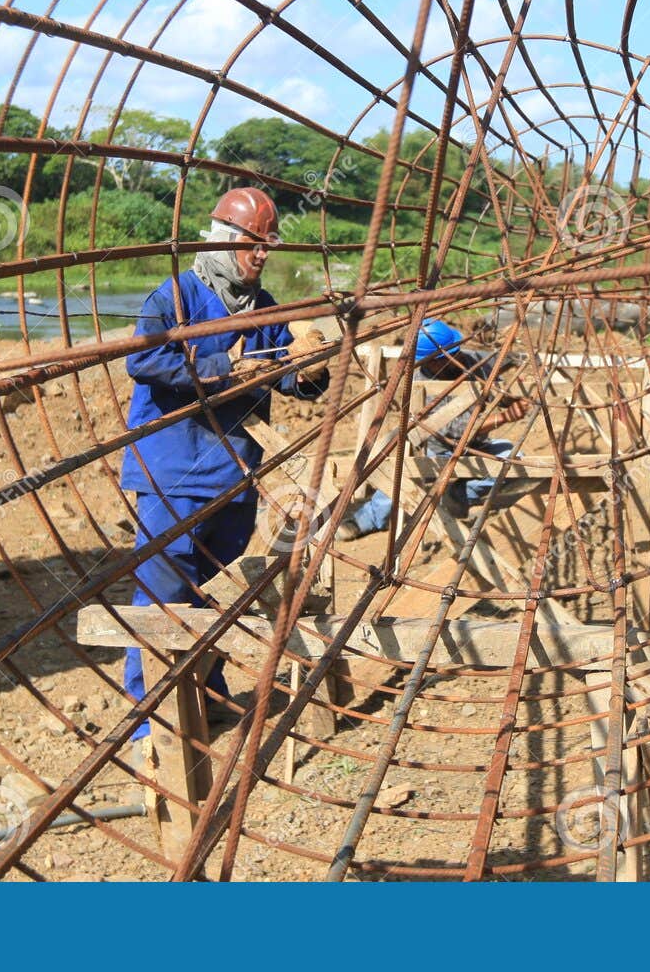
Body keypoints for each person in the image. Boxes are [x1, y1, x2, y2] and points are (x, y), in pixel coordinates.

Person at [119, 187, 328, 732]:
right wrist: (222, 367)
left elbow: (286, 372)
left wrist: (310, 369)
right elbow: (144, 362)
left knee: (216, 590)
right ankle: (152, 721)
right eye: (252, 244)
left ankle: (205, 694)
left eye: (267, 245)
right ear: (222, 241)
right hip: (173, 471)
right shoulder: (175, 297)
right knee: (165, 591)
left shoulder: (264, 308)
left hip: (234, 473)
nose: (261, 255)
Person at [339, 318, 535, 538]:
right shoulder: (420, 384)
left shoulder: (472, 362)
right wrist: (504, 418)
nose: (457, 356)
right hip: (435, 448)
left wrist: (515, 396)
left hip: (475, 445)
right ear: (432, 361)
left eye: (456, 351)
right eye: (446, 356)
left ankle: (456, 496)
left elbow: (500, 383)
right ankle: (364, 521)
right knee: (403, 478)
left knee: (514, 459)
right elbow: (454, 429)